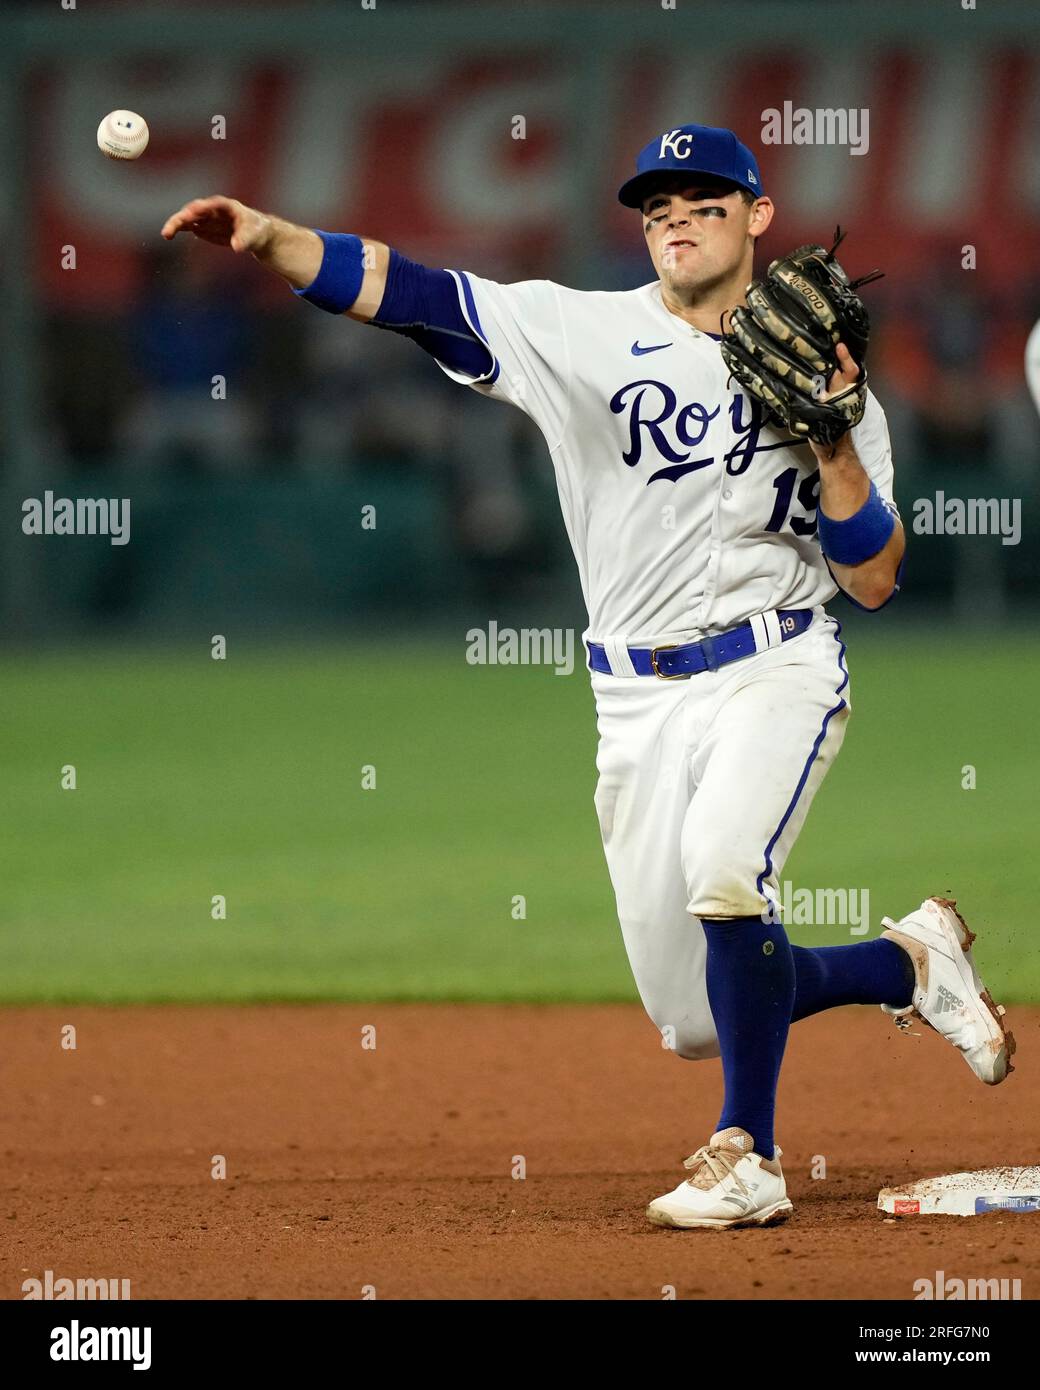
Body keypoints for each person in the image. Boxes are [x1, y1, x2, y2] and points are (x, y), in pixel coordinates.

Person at [162, 122, 1013, 1231]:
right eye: (655, 202)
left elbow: (876, 577)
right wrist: (271, 237)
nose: (672, 215)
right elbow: (409, 290)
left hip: (776, 669)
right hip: (632, 699)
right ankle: (906, 962)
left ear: (758, 218)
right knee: (692, 1013)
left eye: (702, 199)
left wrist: (831, 437)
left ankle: (745, 1155)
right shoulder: (581, 332)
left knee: (722, 872)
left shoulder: (838, 390)